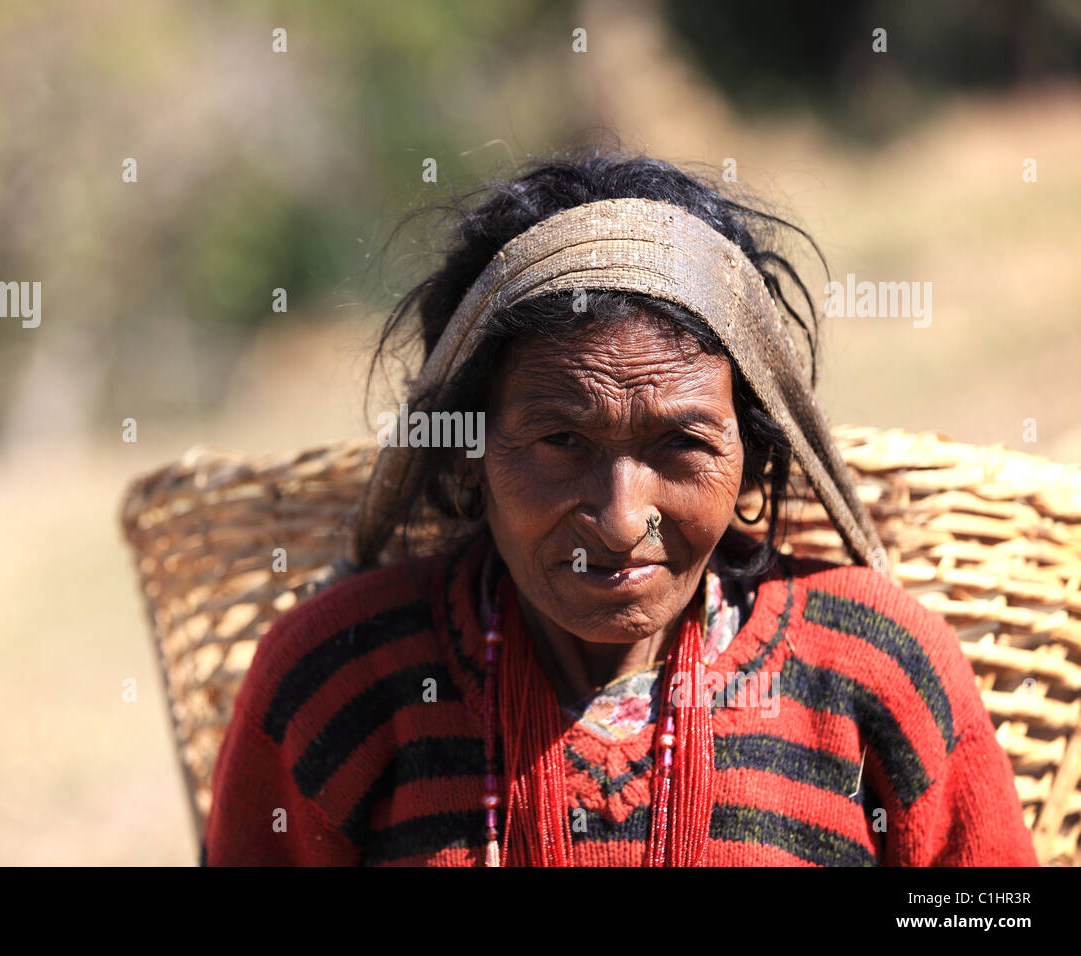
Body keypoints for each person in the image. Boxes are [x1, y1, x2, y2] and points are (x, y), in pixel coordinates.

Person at [202, 150, 1038, 866]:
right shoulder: (341, 678)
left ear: (751, 456)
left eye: (681, 446)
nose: (619, 517)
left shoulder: (873, 668)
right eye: (561, 442)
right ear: (470, 451)